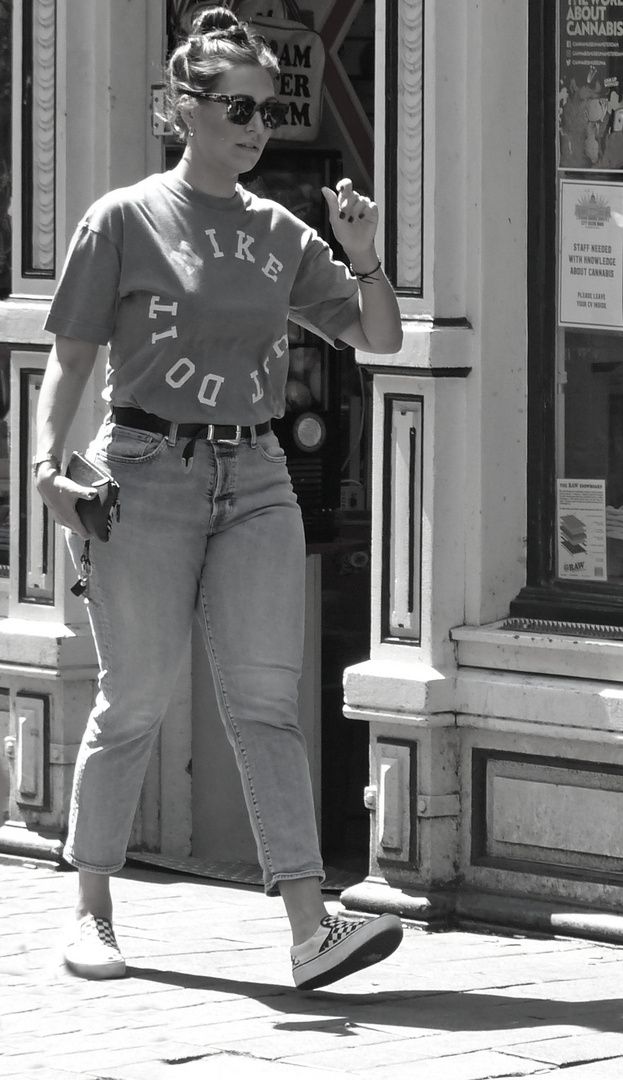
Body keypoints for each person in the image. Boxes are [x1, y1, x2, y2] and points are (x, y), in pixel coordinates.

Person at [37, 7, 405, 990]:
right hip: (145, 472)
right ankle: (93, 909)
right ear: (181, 108)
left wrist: (363, 250)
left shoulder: (280, 231)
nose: (257, 124)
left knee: (263, 702)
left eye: (270, 106)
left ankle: (308, 929)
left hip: (257, 477)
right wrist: (46, 467)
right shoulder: (123, 220)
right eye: (238, 104)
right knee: (139, 698)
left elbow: (382, 338)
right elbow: (68, 361)